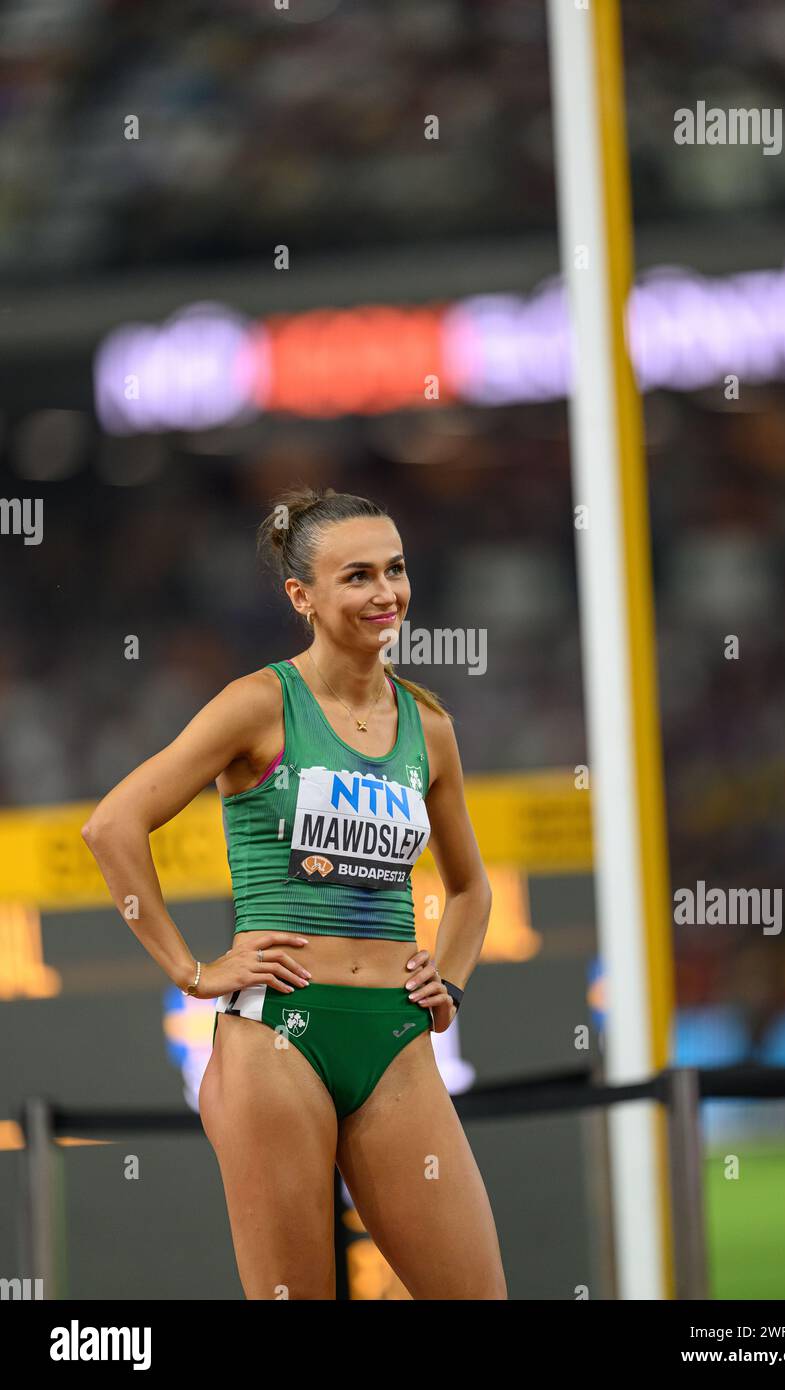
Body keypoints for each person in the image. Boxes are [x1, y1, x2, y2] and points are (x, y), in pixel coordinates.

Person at [81, 484, 507, 1300]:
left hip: (394, 1040)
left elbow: (471, 889)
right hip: (276, 1039)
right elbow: (113, 826)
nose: (386, 593)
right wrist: (191, 971)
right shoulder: (260, 703)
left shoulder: (429, 728)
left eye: (395, 569)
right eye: (358, 576)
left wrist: (448, 982)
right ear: (301, 596)